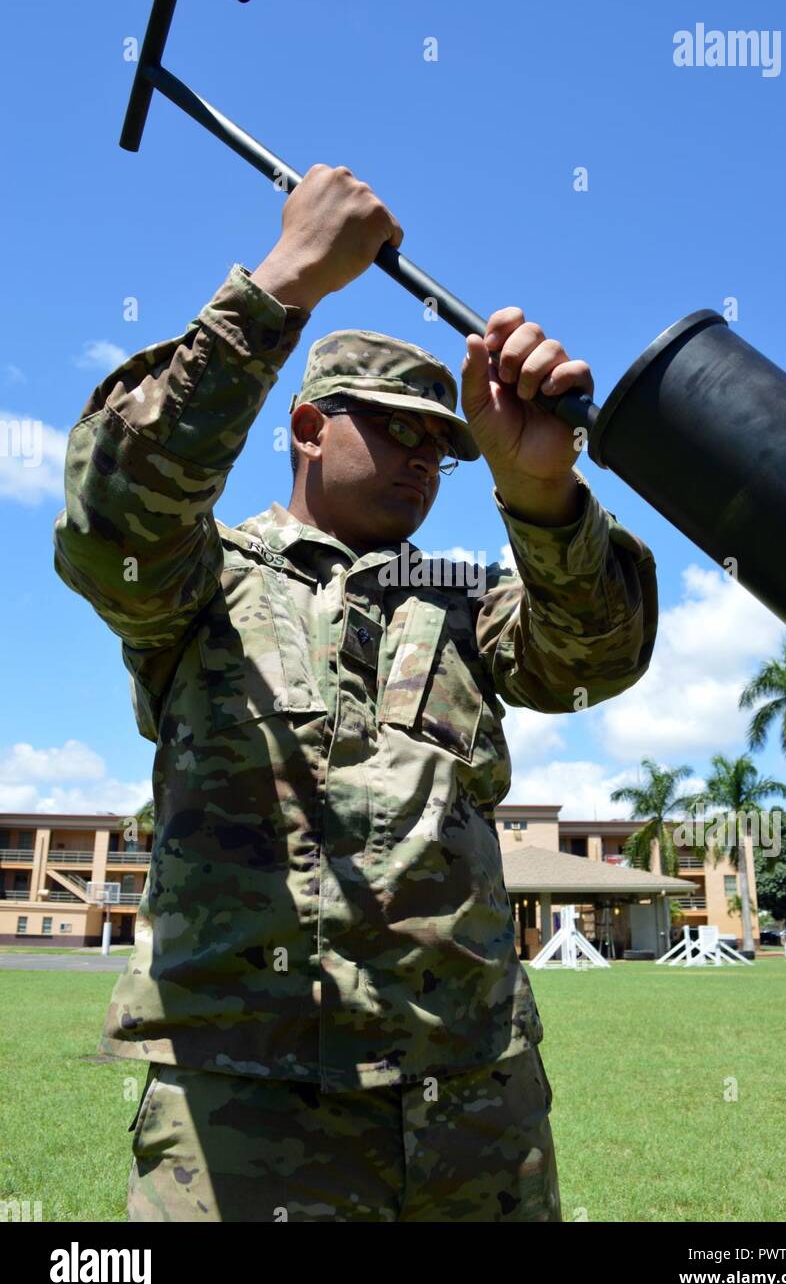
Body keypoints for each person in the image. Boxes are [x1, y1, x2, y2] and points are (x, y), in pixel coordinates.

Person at [53, 163, 658, 1222]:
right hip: (245, 1117)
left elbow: (594, 651)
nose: (424, 461)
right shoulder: (207, 581)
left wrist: (545, 496)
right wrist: (282, 282)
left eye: (444, 447)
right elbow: (111, 522)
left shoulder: (464, 603)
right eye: (393, 428)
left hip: (475, 1105)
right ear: (304, 427)